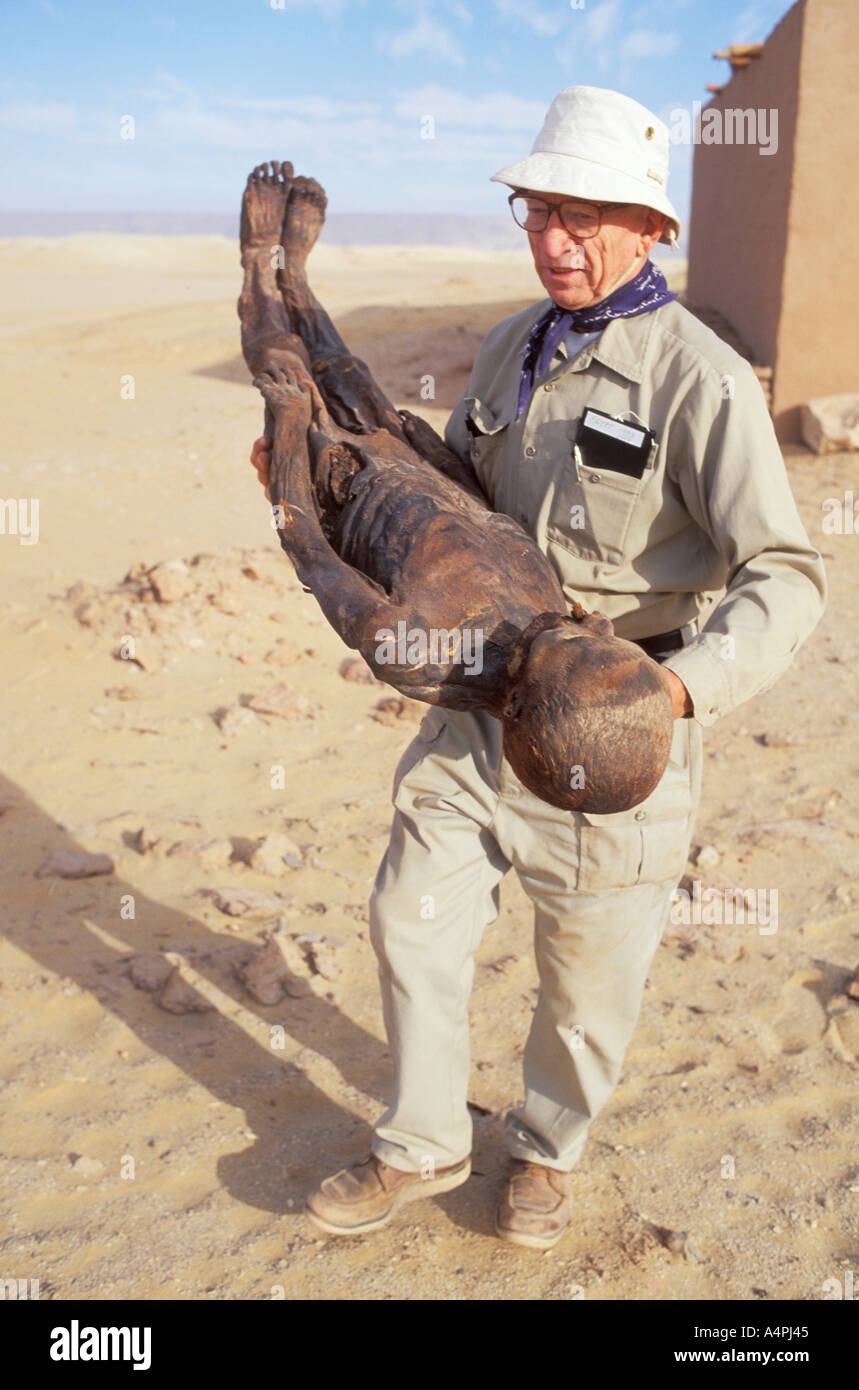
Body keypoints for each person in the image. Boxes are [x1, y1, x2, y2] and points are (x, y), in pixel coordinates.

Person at [249, 86, 826, 1250]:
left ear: (651, 227)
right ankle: (421, 1140)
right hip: (479, 708)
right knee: (410, 915)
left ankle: (547, 1150)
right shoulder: (517, 343)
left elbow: (786, 571)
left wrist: (677, 689)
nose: (555, 239)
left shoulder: (698, 378)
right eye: (537, 212)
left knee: (585, 980)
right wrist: (325, 467)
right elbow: (460, 484)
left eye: (586, 216)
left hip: (608, 729)